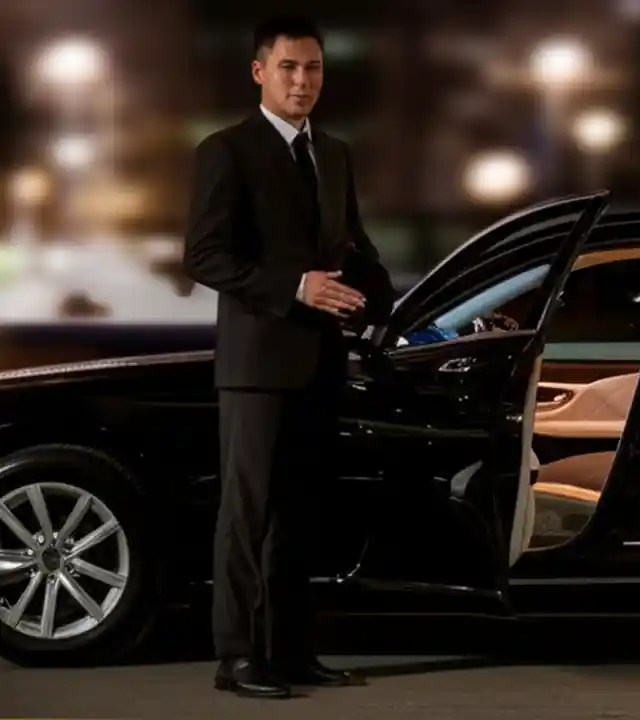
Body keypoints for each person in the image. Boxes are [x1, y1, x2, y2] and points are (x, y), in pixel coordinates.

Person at [183, 15, 395, 699]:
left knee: (302, 515)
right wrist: (295, 287)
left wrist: (401, 311)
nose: (302, 81)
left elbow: (354, 247)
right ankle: (238, 658)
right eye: (288, 68)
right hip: (255, 366)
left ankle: (293, 651)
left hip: (319, 363)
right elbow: (205, 256)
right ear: (259, 72)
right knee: (248, 515)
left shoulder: (334, 154)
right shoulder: (227, 150)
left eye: (313, 70)